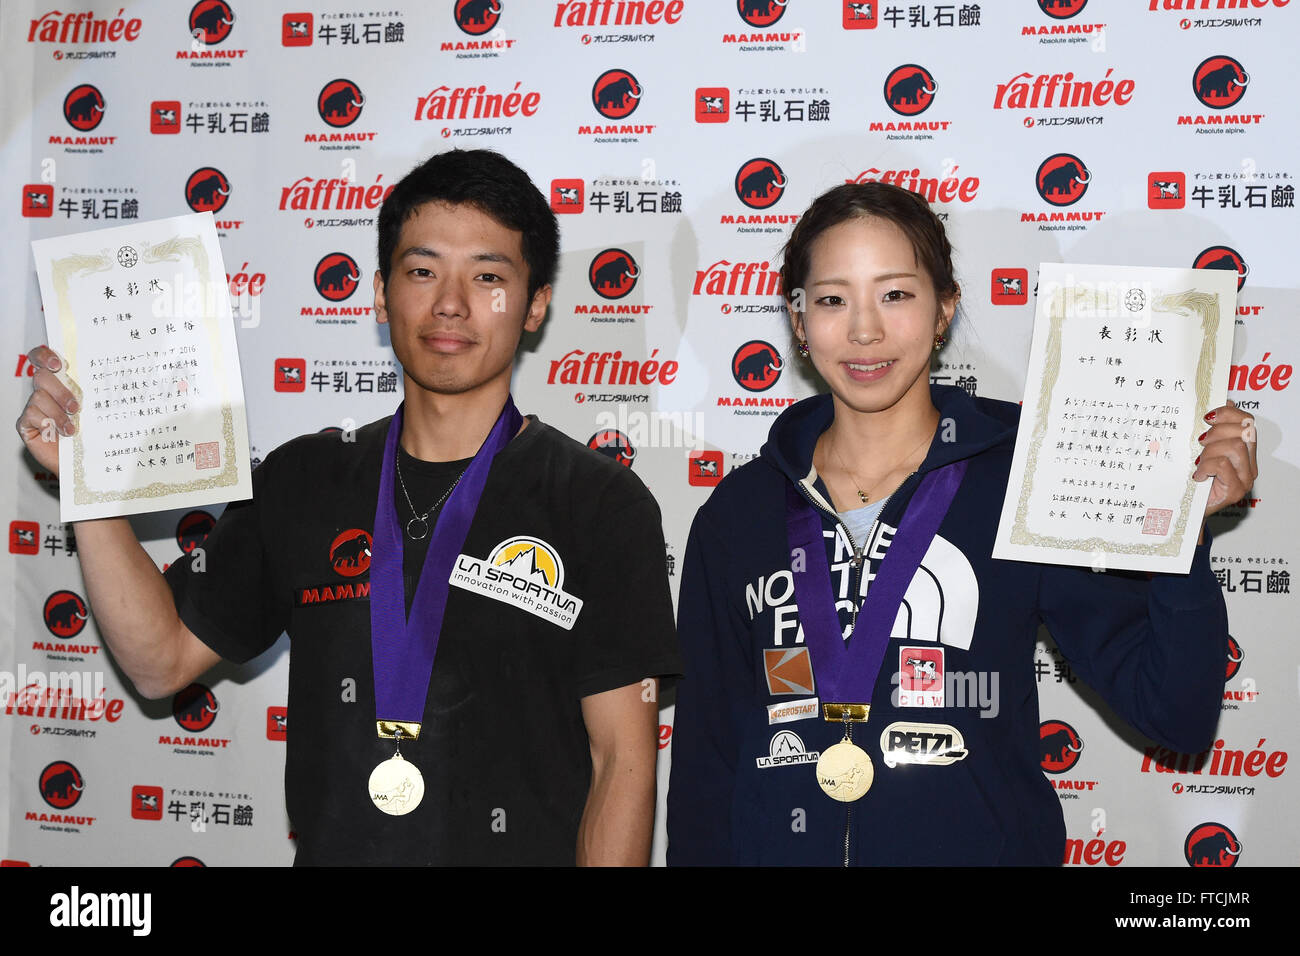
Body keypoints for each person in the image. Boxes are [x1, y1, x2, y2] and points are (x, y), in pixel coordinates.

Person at [18, 148, 681, 866]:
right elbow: (160, 662)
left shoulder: (597, 502)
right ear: (377, 293)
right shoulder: (306, 478)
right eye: (422, 271)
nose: (450, 302)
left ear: (536, 305)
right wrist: (89, 485)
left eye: (488, 276)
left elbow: (623, 763)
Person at [666, 181, 1256, 866]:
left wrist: (1181, 530)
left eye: (896, 294)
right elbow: (707, 768)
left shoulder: (1026, 479)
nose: (864, 330)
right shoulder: (738, 514)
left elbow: (1173, 712)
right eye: (832, 299)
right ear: (797, 320)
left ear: (944, 309)